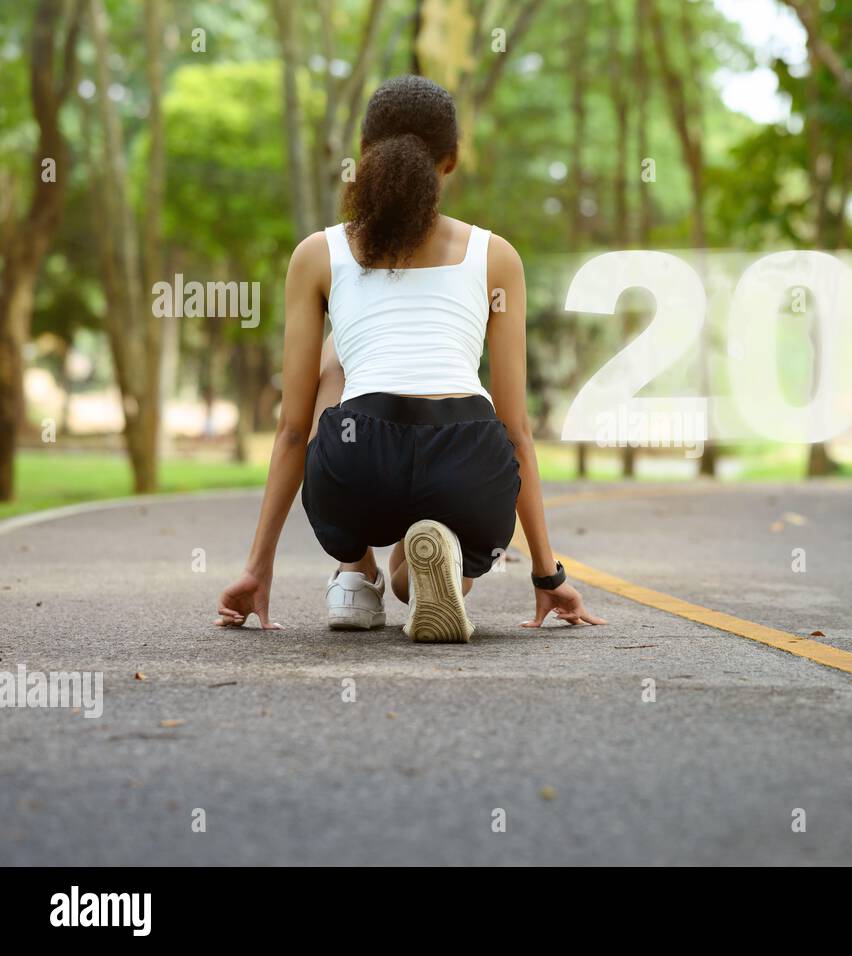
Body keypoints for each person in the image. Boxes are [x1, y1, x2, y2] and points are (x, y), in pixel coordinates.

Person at [215, 75, 605, 642]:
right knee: (433, 536)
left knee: (335, 358)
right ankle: (428, 568)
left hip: (358, 464)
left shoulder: (318, 255)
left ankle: (354, 574)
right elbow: (516, 427)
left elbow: (294, 427)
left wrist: (256, 569)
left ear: (364, 156)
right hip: (471, 461)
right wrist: (548, 574)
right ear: (450, 160)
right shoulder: (495, 256)